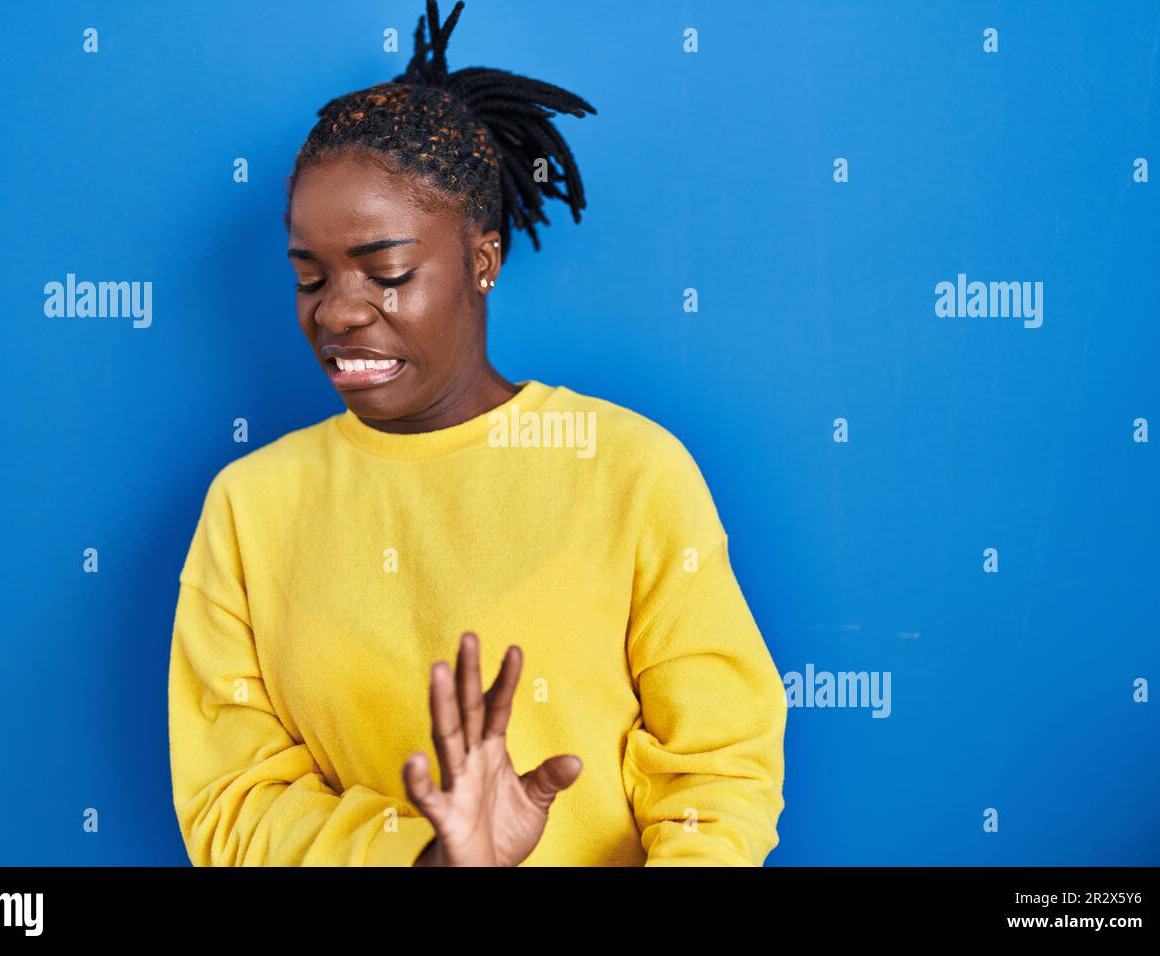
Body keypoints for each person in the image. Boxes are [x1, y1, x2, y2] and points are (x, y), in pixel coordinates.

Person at [167, 0, 786, 866]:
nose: (338, 313)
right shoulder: (249, 508)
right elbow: (232, 802)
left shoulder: (631, 470)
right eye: (309, 277)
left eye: (387, 272)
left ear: (482, 260)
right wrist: (431, 858)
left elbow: (718, 772)